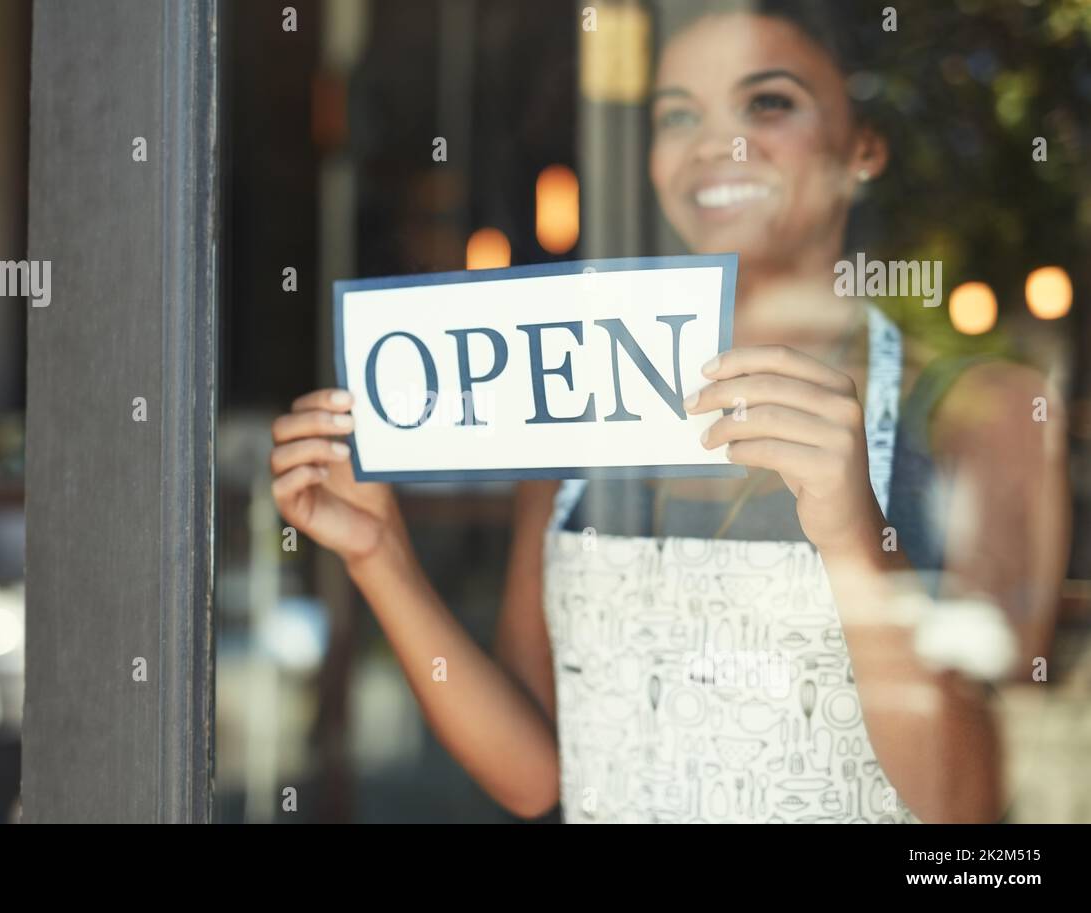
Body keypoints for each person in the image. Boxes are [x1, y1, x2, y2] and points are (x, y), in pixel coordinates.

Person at [268, 0, 1068, 823]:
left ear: (864, 146)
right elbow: (539, 774)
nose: (718, 144)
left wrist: (856, 540)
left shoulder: (982, 414)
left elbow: (973, 811)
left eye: (769, 102)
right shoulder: (577, 401)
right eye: (677, 114)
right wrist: (380, 557)